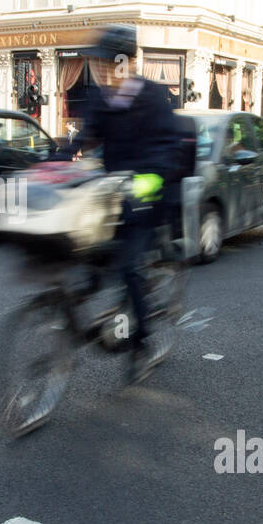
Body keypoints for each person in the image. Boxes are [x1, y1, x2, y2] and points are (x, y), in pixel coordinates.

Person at [66, 26, 184, 384]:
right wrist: (55, 161)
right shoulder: (100, 99)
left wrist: (146, 181)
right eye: (97, 63)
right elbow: (86, 138)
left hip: (150, 198)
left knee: (130, 267)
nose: (101, 70)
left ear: (128, 62)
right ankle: (87, 313)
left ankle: (141, 343)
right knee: (83, 253)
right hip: (113, 197)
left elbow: (168, 148)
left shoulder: (152, 97)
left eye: (107, 62)